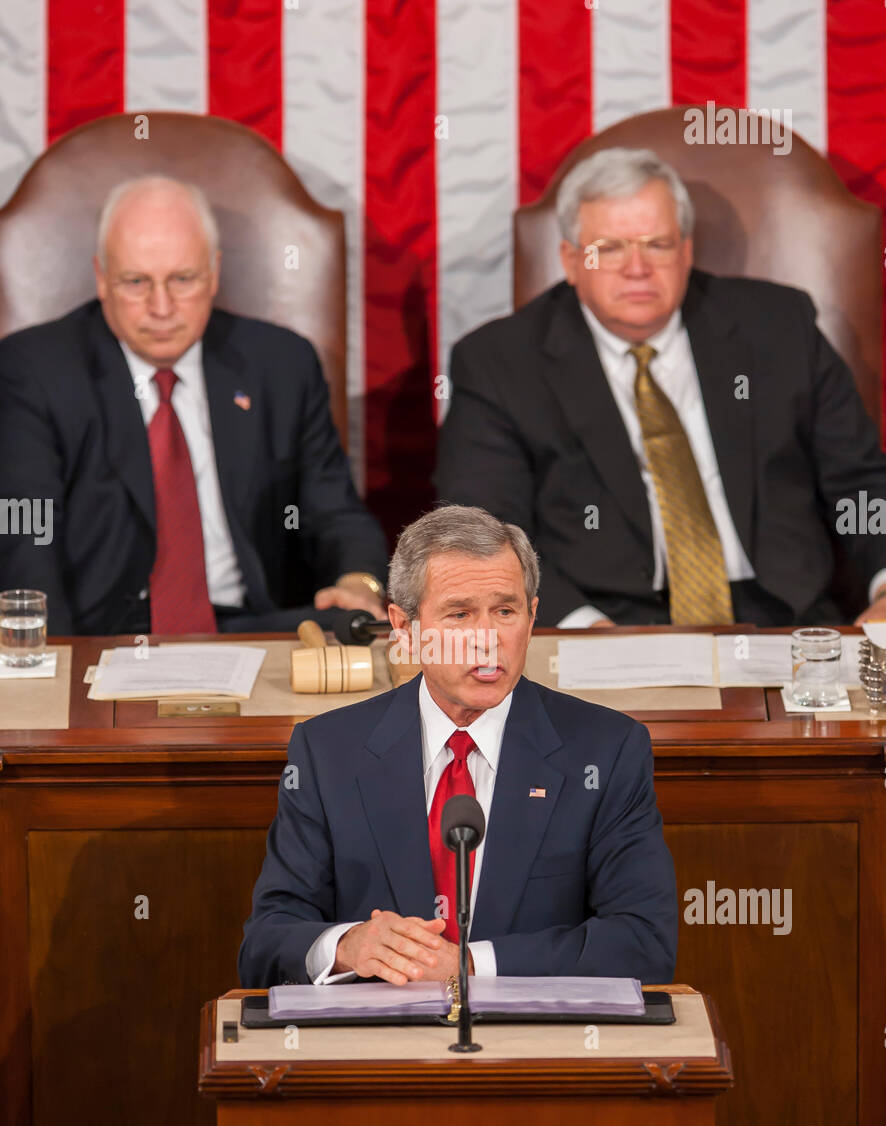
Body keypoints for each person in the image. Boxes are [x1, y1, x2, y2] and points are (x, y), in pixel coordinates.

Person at [435, 147, 886, 629]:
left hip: (786, 620)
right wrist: (582, 630)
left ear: (686, 251)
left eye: (658, 244)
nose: (637, 268)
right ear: (571, 260)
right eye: (610, 248)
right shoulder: (499, 363)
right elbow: (482, 527)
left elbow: (859, 482)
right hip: (602, 621)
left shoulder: (778, 326)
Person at [239, 504, 677, 987]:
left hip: (534, 1032)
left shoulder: (606, 750)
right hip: (380, 1031)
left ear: (532, 617)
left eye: (505, 612)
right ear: (404, 630)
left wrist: (468, 966)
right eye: (459, 614)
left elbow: (643, 944)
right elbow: (265, 945)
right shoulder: (327, 752)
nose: (487, 640)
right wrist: (344, 947)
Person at [0, 175, 388, 635]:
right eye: (136, 282)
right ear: (102, 278)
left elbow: (333, 509)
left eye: (182, 279)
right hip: (101, 637)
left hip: (254, 628)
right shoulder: (34, 370)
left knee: (359, 631)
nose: (161, 307)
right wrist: (49, 657)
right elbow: (26, 529)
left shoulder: (281, 364)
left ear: (214, 273)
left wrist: (359, 580)